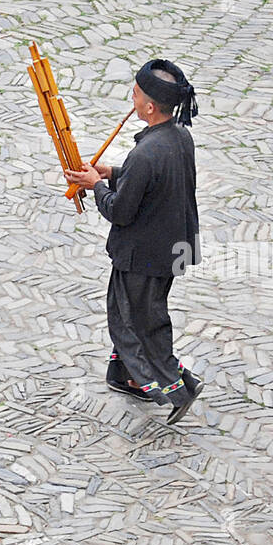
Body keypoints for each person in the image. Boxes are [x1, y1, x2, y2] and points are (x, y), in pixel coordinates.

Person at [65, 59, 202, 425]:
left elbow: (120, 211)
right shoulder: (178, 137)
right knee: (134, 311)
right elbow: (155, 182)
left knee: (138, 322)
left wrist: (96, 185)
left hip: (144, 255)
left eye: (136, 93)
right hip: (171, 247)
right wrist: (112, 172)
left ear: (150, 106)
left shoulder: (145, 153)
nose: (133, 98)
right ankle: (122, 374)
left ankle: (177, 386)